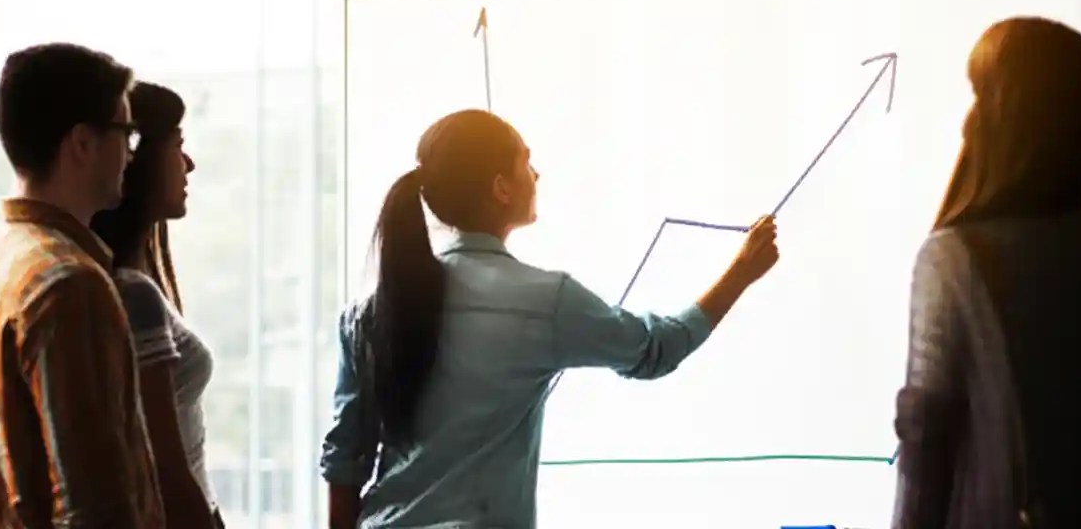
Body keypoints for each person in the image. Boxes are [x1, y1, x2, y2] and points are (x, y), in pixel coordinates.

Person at [320, 108, 780, 528]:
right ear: (501, 187)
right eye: (526, 162)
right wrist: (741, 273)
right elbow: (658, 349)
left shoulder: (366, 316)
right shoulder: (546, 301)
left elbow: (344, 463)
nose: (536, 174)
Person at [891, 17, 1081, 528]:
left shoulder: (951, 260)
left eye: (980, 96)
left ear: (1005, 119)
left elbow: (924, 449)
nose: (966, 121)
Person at [0, 43, 165, 527]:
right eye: (125, 132)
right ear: (82, 143)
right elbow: (92, 502)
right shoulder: (69, 284)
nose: (130, 154)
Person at [91, 82, 221, 528]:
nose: (188, 164)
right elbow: (164, 465)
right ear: (139, 161)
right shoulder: (129, 292)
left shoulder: (134, 280)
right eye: (177, 146)